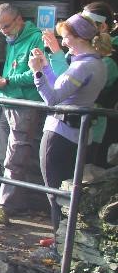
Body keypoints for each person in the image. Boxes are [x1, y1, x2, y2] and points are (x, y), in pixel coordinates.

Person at [29, 14, 110, 234]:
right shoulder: (98, 63)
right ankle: (66, 243)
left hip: (59, 134)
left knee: (55, 194)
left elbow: (53, 98)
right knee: (69, 193)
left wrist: (36, 72)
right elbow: (63, 89)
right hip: (80, 135)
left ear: (80, 38)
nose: (63, 43)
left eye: (65, 38)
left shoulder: (81, 67)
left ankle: (59, 247)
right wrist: (46, 67)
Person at [0, 4, 45, 225]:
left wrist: (8, 81)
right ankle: (17, 204)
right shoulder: (11, 39)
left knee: (14, 158)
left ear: (19, 20)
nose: (3, 31)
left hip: (24, 104)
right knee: (5, 157)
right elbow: (11, 70)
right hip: (5, 101)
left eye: (6, 26)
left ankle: (3, 207)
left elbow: (37, 74)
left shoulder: (35, 39)